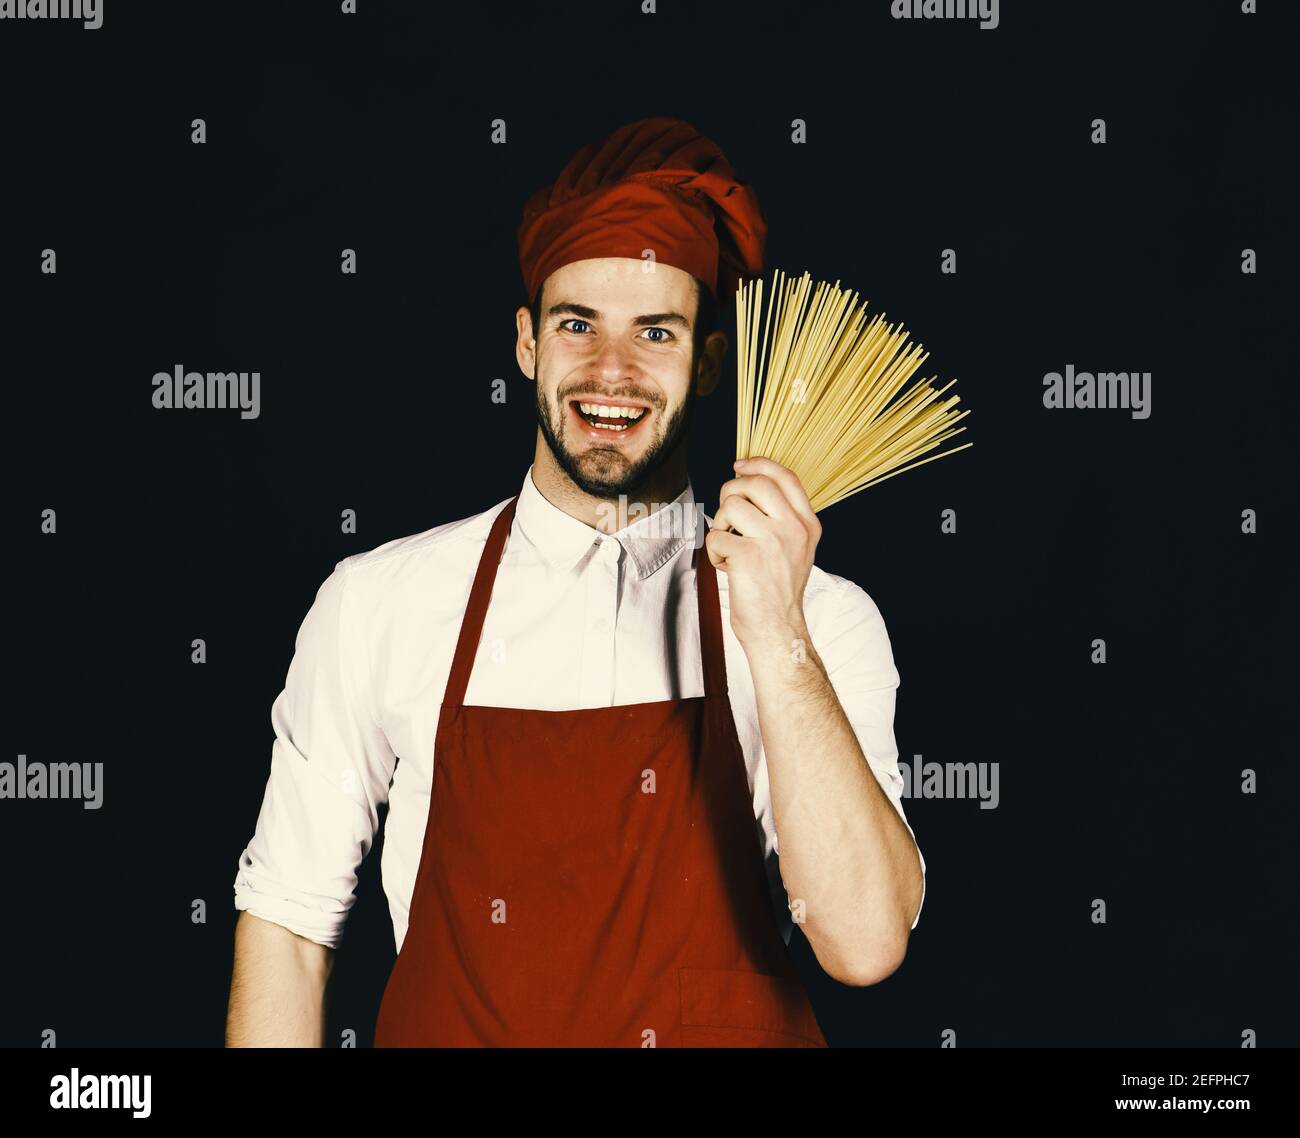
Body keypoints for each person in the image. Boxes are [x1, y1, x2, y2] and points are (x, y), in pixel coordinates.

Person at [225, 116, 925, 1048]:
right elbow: (288, 927)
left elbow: (865, 942)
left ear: (708, 361)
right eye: (577, 323)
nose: (611, 371)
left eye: (657, 332)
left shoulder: (820, 619)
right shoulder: (379, 603)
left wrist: (776, 632)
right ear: (526, 343)